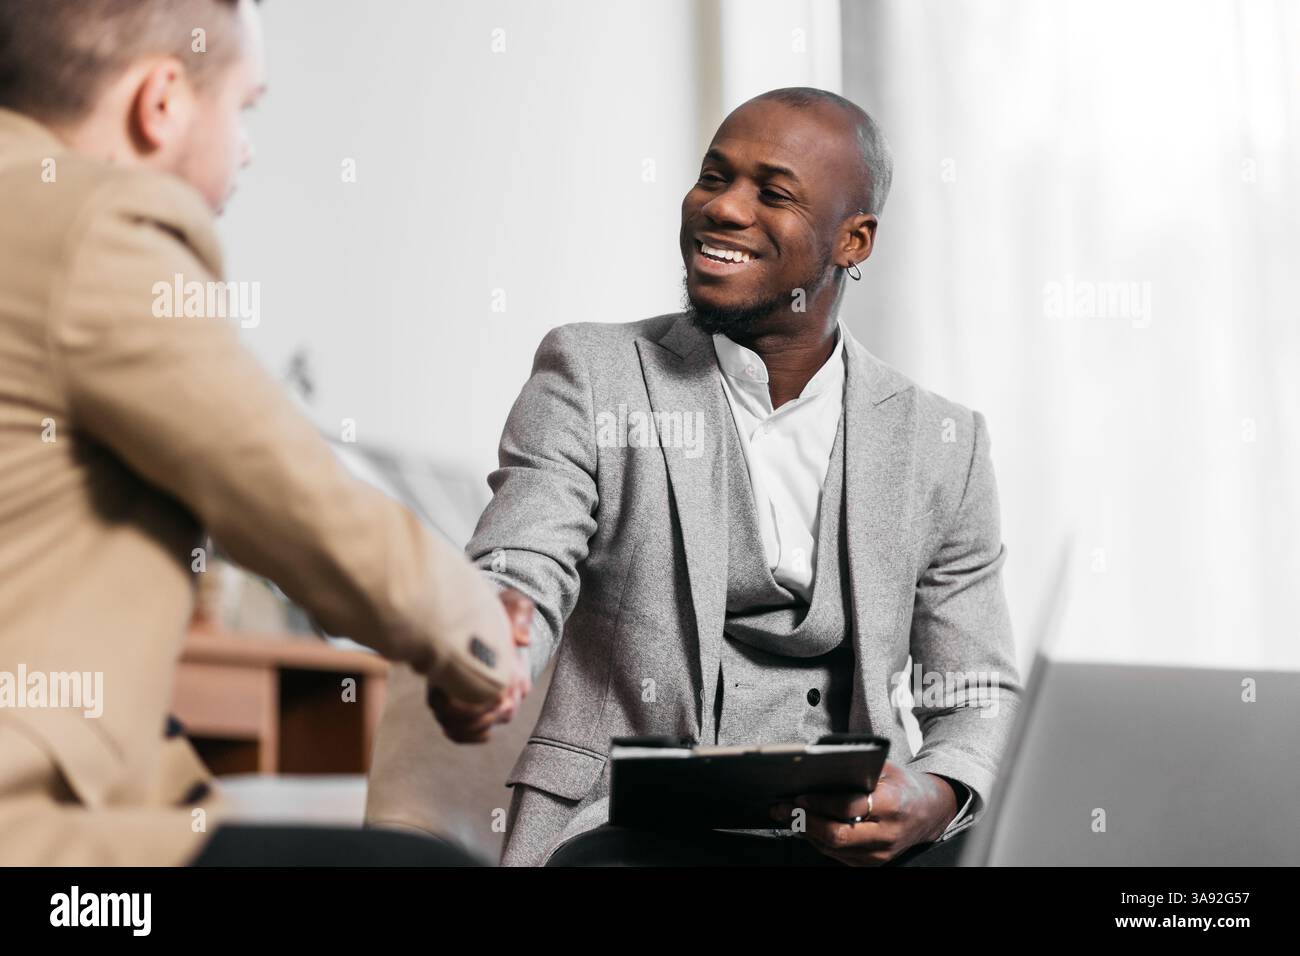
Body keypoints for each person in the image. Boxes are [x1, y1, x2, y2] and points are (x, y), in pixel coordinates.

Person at [372, 88, 1022, 866]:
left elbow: (974, 691)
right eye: (714, 177)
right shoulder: (592, 374)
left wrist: (934, 794)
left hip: (845, 841)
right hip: (628, 829)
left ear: (854, 241)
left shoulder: (939, 442)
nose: (723, 208)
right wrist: (495, 630)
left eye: (771, 193)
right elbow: (525, 559)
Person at [0, 0, 529, 866]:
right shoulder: (93, 231)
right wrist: (475, 640)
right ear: (161, 100)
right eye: (243, 108)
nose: (245, 145)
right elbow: (290, 498)